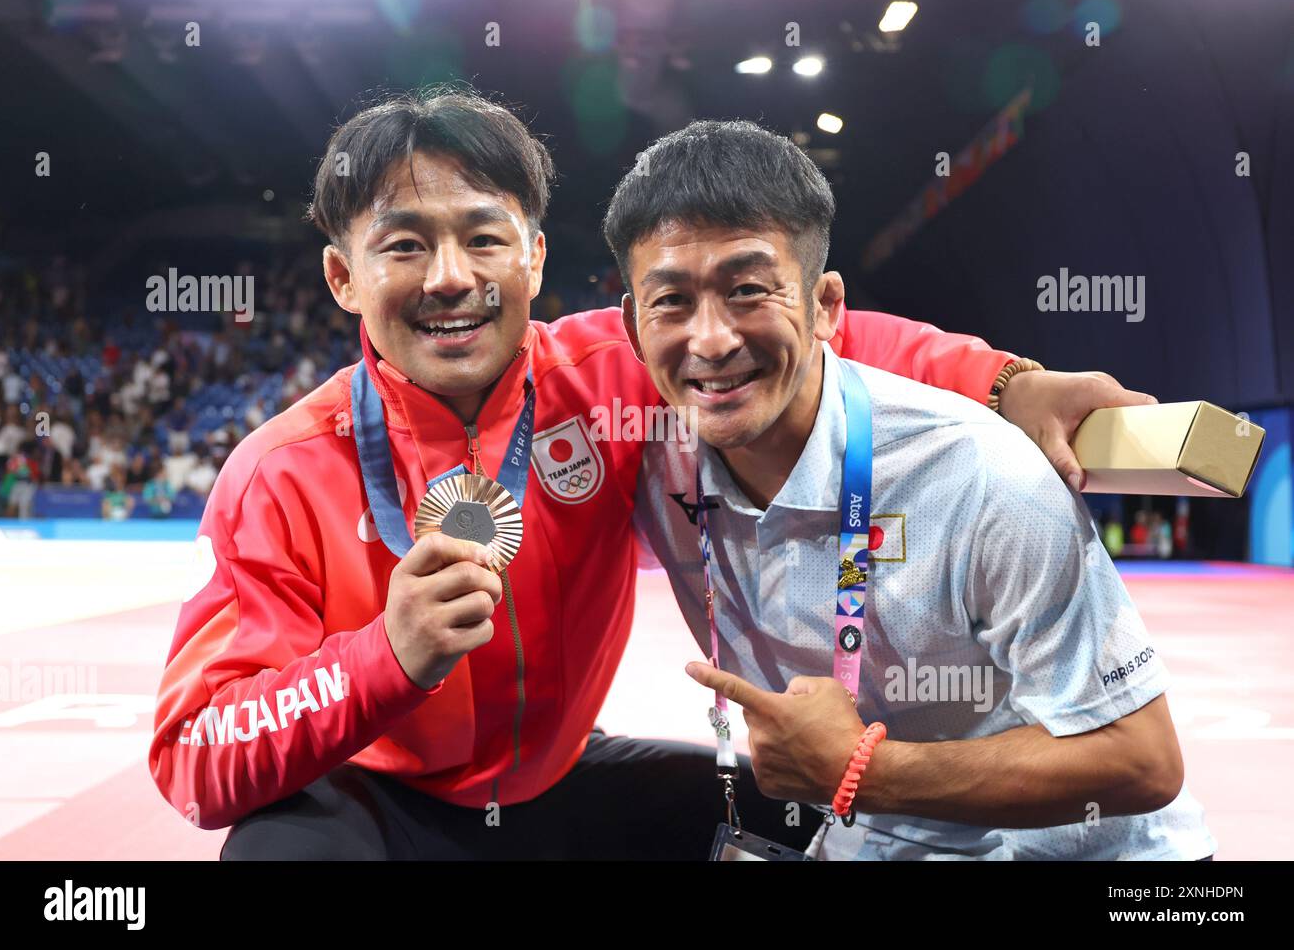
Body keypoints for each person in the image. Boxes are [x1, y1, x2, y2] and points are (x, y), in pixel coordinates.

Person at [149, 87, 1153, 860]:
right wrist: (384, 656)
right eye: (404, 244)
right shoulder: (280, 471)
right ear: (342, 275)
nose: (451, 274)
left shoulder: (613, 369)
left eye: (483, 236)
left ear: (534, 258)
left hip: (556, 786)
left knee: (803, 799)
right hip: (376, 803)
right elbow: (192, 754)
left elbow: (805, 338)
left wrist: (1005, 380)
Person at [614, 120, 1215, 860]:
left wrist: (864, 772)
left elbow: (1141, 760)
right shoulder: (642, 461)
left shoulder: (981, 474)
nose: (709, 340)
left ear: (827, 306)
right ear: (633, 328)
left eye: (747, 290)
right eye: (670, 301)